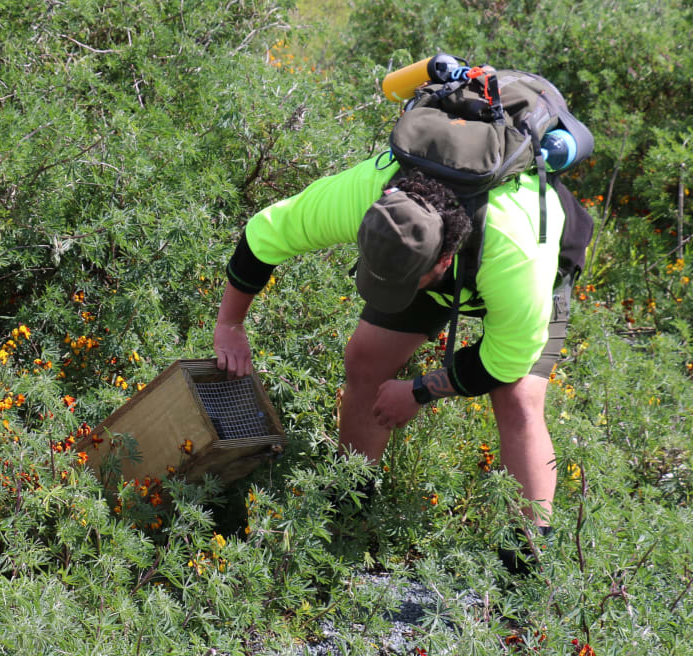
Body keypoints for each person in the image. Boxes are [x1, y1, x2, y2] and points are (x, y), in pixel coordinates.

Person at [214, 152, 582, 571]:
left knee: (518, 399)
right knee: (366, 358)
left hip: (533, 260)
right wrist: (229, 324)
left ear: (443, 261)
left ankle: (524, 562)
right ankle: (351, 497)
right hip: (435, 262)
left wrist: (419, 391)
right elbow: (266, 232)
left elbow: (507, 361)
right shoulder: (366, 195)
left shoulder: (516, 256)